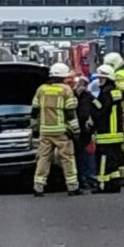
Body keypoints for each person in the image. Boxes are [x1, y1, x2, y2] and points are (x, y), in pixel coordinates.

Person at [30, 63, 82, 196]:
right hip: (61, 132)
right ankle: (72, 186)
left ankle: (38, 186)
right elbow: (70, 112)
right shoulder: (66, 90)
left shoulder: (41, 89)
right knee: (67, 159)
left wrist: (34, 127)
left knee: (43, 158)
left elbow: (34, 111)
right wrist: (76, 130)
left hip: (45, 131)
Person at [89, 73, 124, 192]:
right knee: (114, 160)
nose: (99, 80)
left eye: (102, 78)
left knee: (103, 159)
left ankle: (103, 185)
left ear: (108, 79)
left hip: (106, 132)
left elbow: (101, 111)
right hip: (117, 132)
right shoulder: (115, 92)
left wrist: (92, 100)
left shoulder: (105, 92)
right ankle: (114, 184)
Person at [74, 74, 100, 190]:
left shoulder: (89, 97)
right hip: (75, 131)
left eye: (84, 84)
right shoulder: (72, 96)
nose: (82, 86)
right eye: (81, 83)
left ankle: (90, 178)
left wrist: (93, 122)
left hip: (86, 131)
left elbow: (99, 107)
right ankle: (81, 179)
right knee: (78, 156)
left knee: (88, 155)